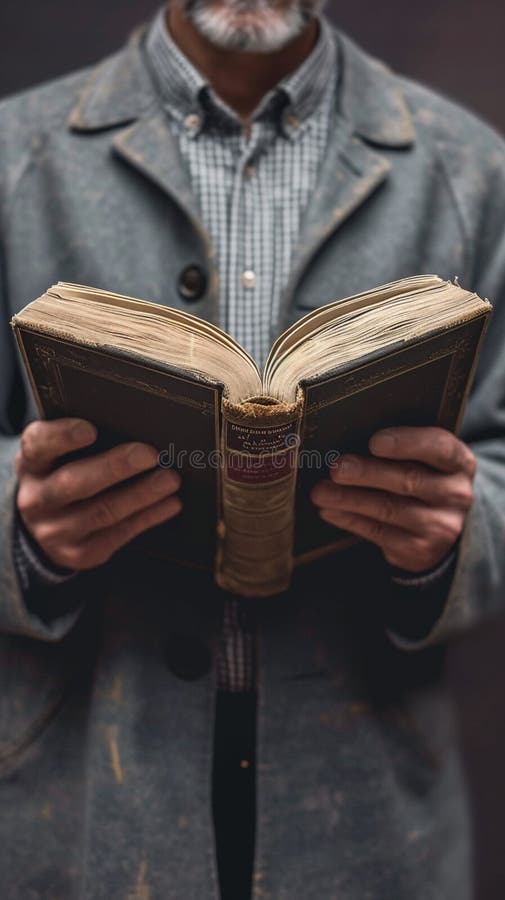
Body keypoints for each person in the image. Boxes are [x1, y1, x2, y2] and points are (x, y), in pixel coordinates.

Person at [0, 1, 504, 897]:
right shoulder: (11, 153)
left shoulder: (472, 167)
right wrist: (20, 523)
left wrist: (449, 537)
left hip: (369, 814)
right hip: (75, 807)